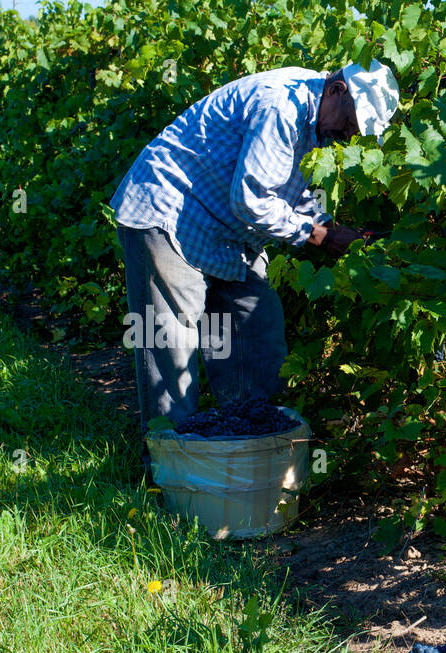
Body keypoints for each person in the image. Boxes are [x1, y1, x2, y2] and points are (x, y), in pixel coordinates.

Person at [109, 60, 399, 471]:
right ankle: (170, 474)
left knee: (254, 325)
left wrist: (333, 229)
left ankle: (246, 453)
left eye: (356, 132)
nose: (348, 135)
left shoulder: (316, 125)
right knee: (171, 341)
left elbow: (293, 194)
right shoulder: (281, 105)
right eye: (351, 122)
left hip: (226, 231)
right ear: (336, 91)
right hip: (171, 210)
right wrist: (319, 237)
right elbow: (251, 200)